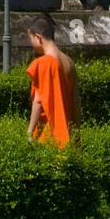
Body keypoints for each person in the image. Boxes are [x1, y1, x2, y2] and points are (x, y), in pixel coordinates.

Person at [26, 14, 82, 148]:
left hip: (49, 132)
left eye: (31, 39)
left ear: (38, 37)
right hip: (68, 129)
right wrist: (77, 134)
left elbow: (39, 101)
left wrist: (29, 132)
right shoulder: (69, 61)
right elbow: (76, 100)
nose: (31, 44)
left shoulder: (44, 62)